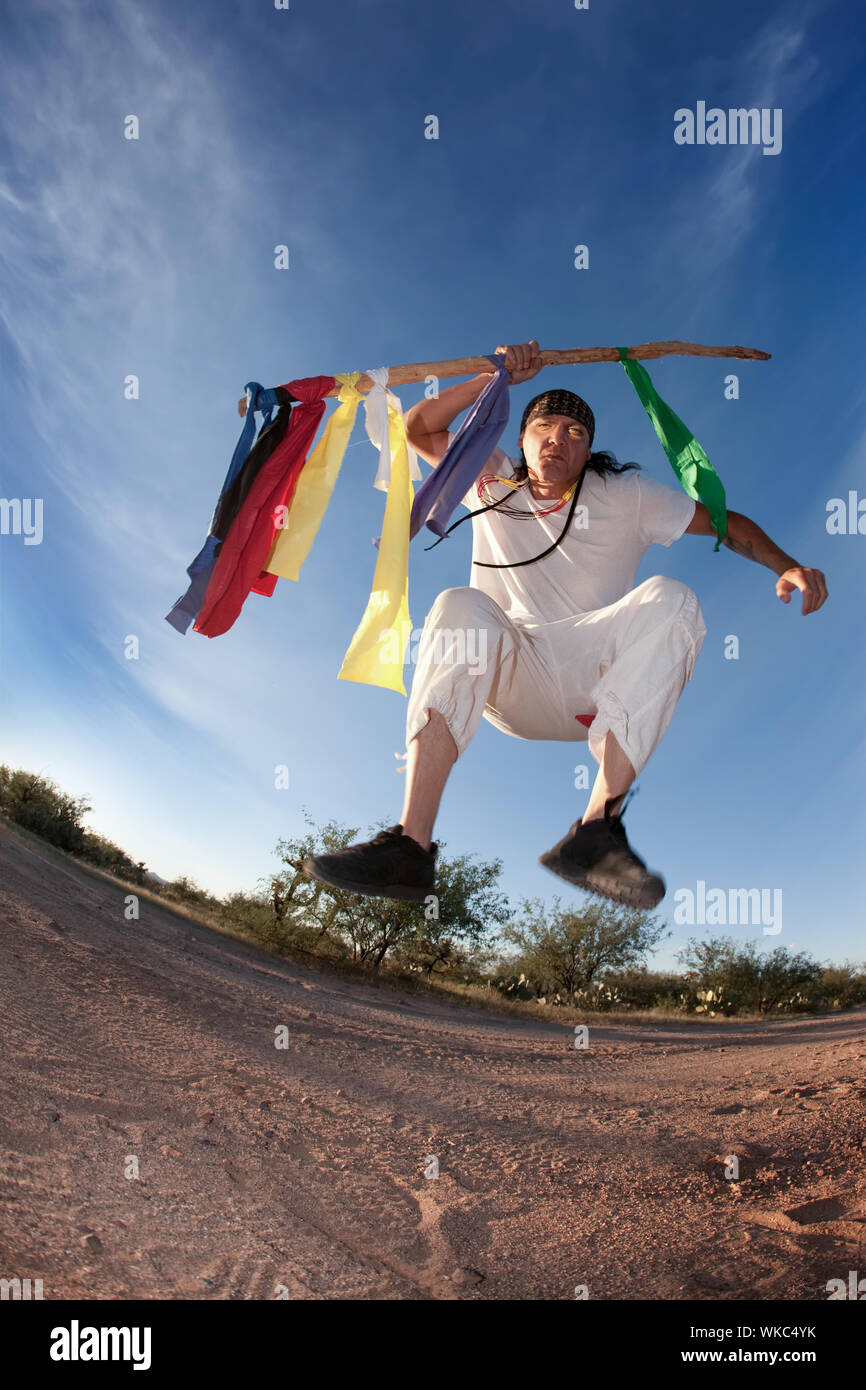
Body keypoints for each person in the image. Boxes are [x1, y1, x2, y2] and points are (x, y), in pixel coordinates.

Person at [302, 341, 828, 909]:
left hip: (591, 681)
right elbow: (420, 428)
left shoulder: (626, 495)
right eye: (545, 426)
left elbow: (728, 523)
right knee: (459, 604)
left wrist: (787, 564)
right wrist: (493, 377)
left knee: (672, 599)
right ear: (523, 438)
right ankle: (409, 847)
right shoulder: (492, 479)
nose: (559, 438)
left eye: (575, 432)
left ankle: (595, 834)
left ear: (589, 449)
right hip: (508, 677)